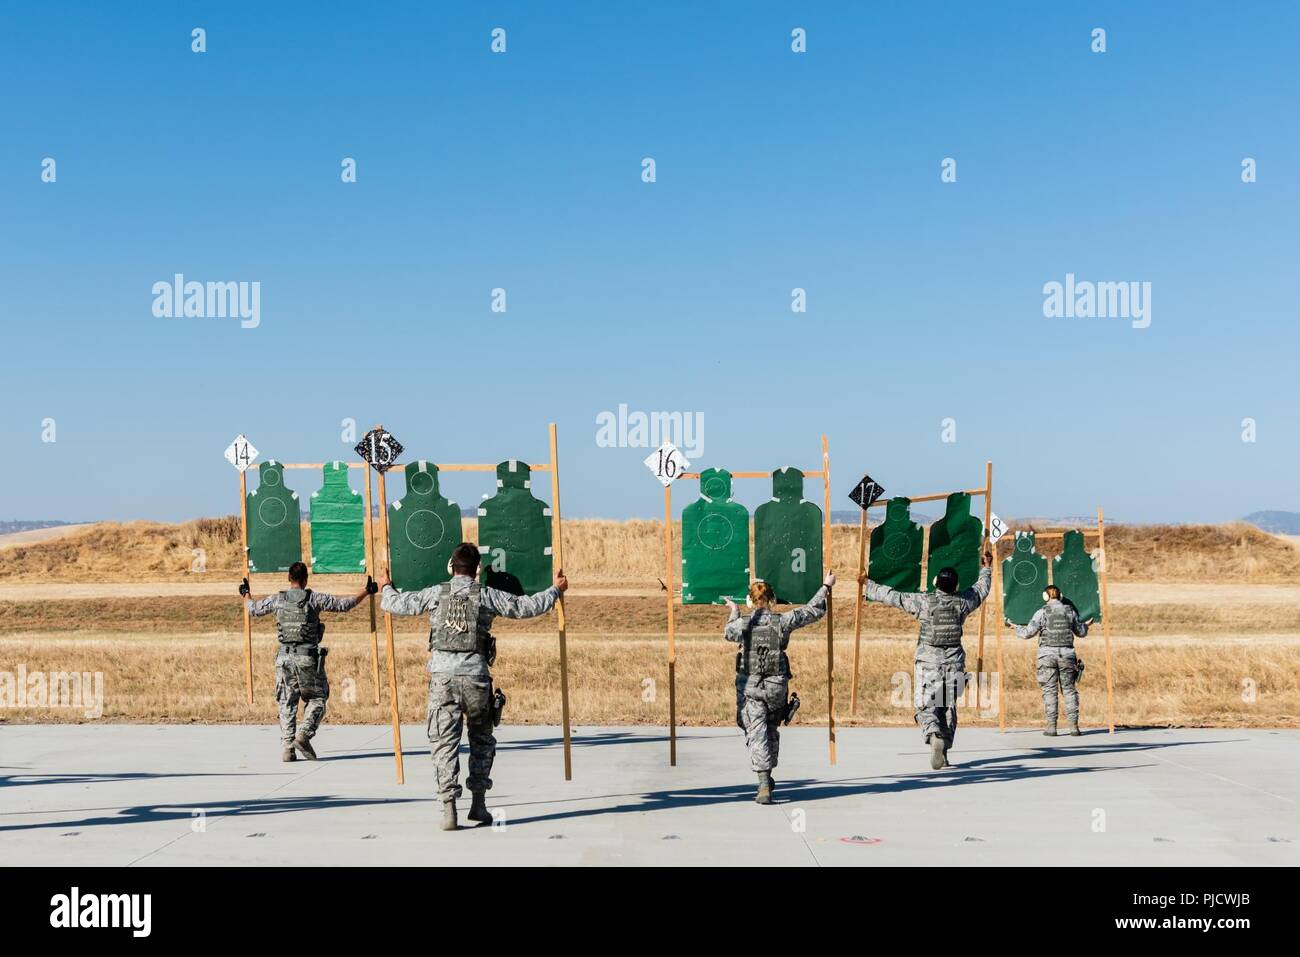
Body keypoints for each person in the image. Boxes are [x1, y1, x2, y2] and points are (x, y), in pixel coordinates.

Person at [379, 542, 567, 831]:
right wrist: (555, 589)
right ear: (477, 570)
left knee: (444, 743)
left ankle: (449, 810)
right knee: (481, 741)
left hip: (442, 679)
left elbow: (397, 604)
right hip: (476, 679)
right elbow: (525, 607)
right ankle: (478, 805)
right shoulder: (486, 595)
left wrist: (386, 586)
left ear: (451, 567)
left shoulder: (434, 593)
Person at [860, 549, 992, 770]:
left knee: (925, 705)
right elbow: (981, 589)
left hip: (928, 661)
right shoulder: (964, 602)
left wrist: (867, 584)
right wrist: (986, 567)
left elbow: (894, 597)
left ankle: (933, 736)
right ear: (956, 586)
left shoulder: (924, 602)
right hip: (955, 661)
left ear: (936, 584)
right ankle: (944, 750)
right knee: (947, 705)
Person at [241, 562, 374, 762]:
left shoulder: (278, 600)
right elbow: (343, 605)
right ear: (305, 580)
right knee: (318, 698)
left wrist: (245, 593)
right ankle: (303, 735)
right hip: (308, 658)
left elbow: (253, 609)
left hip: (284, 658)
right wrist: (366, 591)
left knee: (287, 701)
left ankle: (287, 747)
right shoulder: (314, 599)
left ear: (289, 579)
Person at [723, 572, 834, 804]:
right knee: (770, 728)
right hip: (776, 686)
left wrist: (734, 610)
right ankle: (768, 776)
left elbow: (729, 633)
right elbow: (813, 611)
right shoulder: (783, 621)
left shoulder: (744, 624)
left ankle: (764, 783)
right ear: (772, 600)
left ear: (750, 601)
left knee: (756, 731)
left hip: (750, 686)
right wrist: (825, 585)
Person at [1009, 585, 1091, 736]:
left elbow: (1028, 633)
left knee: (1049, 691)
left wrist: (1015, 627)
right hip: (1067, 656)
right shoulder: (1070, 612)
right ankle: (1074, 727)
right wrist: (1087, 625)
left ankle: (1051, 727)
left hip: (1046, 657)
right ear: (1060, 596)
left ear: (1045, 597)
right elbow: (1081, 632)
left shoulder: (1042, 613)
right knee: (1069, 690)